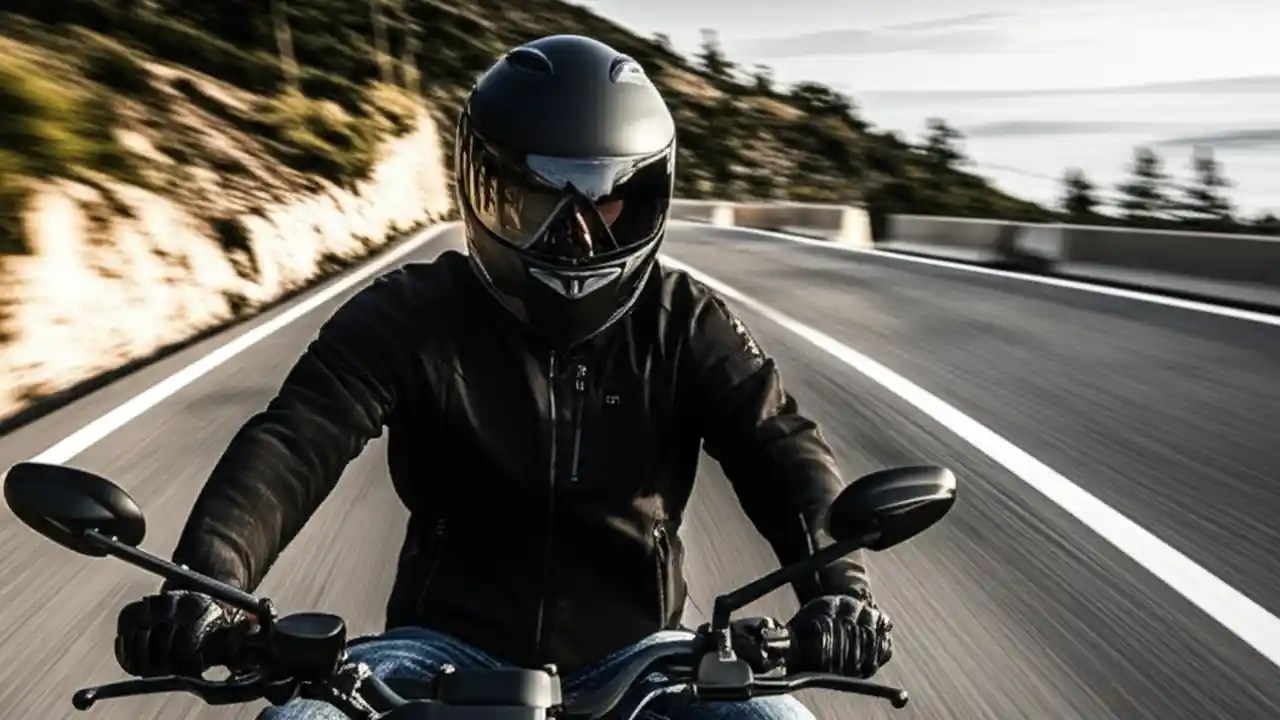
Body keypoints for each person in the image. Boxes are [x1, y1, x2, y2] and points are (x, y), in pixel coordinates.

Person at [112, 34, 895, 719]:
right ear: (481, 188)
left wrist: (840, 593)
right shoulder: (410, 313)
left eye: (606, 199)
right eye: (538, 199)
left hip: (647, 658)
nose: (576, 235)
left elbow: (779, 447)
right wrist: (208, 589)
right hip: (430, 656)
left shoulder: (685, 321)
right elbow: (290, 442)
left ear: (650, 196)